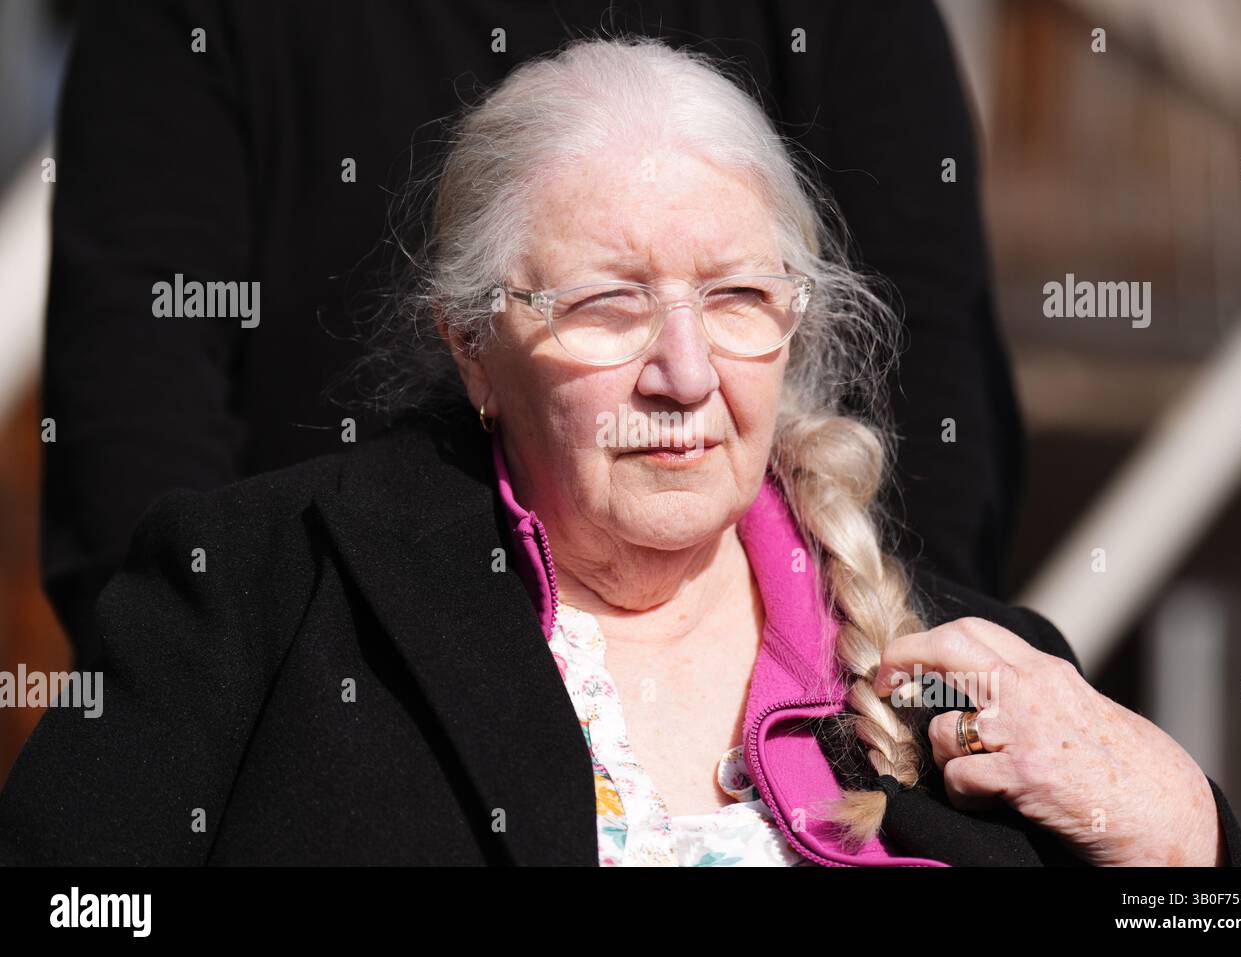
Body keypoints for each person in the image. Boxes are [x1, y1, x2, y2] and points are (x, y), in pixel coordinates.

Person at [2, 36, 1241, 866]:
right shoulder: (255, 596)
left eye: (736, 299)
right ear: (475, 348)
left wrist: (1184, 833)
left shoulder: (976, 681)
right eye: (605, 304)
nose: (685, 373)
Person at [41, 0, 1021, 667]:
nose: (680, 371)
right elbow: (130, 420)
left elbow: (934, 389)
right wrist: (265, 730)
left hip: (789, 687)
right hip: (321, 692)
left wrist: (889, 705)